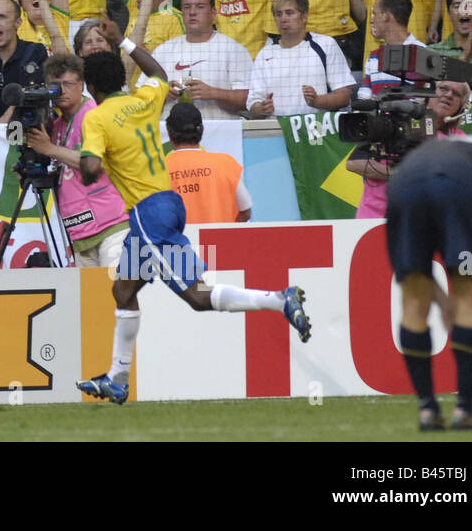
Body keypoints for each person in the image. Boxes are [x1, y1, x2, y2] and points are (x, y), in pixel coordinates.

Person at [74, 33, 311, 405]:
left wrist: (88, 165)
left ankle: (279, 299)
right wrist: (123, 40)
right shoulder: (142, 100)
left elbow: (89, 167)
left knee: (198, 296)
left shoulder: (97, 119)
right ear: (121, 79)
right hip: (161, 206)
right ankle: (117, 379)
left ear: (89, 87)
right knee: (123, 290)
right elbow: (158, 72)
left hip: (149, 213)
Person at [393, 138, 472, 430]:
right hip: (457, 188)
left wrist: (442, 303)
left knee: (413, 298)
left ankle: (427, 410)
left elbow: (416, 273)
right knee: (469, 298)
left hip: (403, 184)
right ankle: (464, 411)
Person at [25, 52, 131, 268]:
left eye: (67, 84)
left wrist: (50, 148)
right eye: (54, 85)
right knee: (93, 301)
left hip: (112, 224)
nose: (61, 91)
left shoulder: (93, 114)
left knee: (117, 293)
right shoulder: (55, 123)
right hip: (80, 232)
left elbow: (98, 163)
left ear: (82, 84)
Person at [348, 78, 472, 220]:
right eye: (443, 89)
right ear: (427, 95)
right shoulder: (393, 121)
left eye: (456, 93)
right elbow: (354, 163)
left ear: (462, 106)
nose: (449, 95)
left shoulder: (460, 140)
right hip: (376, 219)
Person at [246, 0, 356, 117]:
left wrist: (317, 101)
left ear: (304, 16)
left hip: (316, 129)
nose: (283, 19)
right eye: (278, 14)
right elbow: (253, 103)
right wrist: (261, 108)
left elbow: (343, 96)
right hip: (275, 129)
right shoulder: (265, 54)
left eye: (289, 13)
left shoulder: (326, 45)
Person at [151, 0, 254, 119]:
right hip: (171, 136)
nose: (192, 12)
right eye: (187, 7)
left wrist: (213, 93)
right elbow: (143, 97)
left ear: (213, 13)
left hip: (220, 135)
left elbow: (249, 100)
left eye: (200, 7)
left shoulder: (233, 49)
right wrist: (162, 92)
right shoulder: (163, 51)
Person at [165, 102, 252, 224]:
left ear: (169, 133)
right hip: (220, 240)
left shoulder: (159, 170)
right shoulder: (226, 164)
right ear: (202, 130)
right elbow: (246, 212)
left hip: (177, 242)